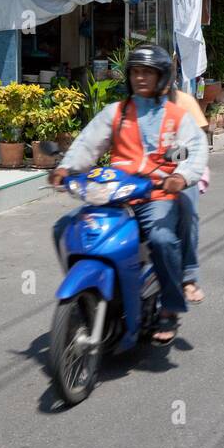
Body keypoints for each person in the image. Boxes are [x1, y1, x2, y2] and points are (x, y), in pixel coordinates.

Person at [49, 45, 207, 344]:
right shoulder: (117, 113)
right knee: (63, 228)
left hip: (156, 195)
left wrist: (181, 176)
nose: (141, 78)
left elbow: (196, 151)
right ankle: (89, 292)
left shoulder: (176, 116)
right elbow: (88, 144)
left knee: (161, 240)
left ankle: (170, 309)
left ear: (162, 77)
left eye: (148, 72)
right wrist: (66, 168)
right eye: (136, 72)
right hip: (115, 194)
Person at [170, 81, 209, 304]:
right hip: (144, 172)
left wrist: (178, 158)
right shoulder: (135, 105)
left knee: (187, 213)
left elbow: (199, 138)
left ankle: (189, 277)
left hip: (181, 169)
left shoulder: (183, 100)